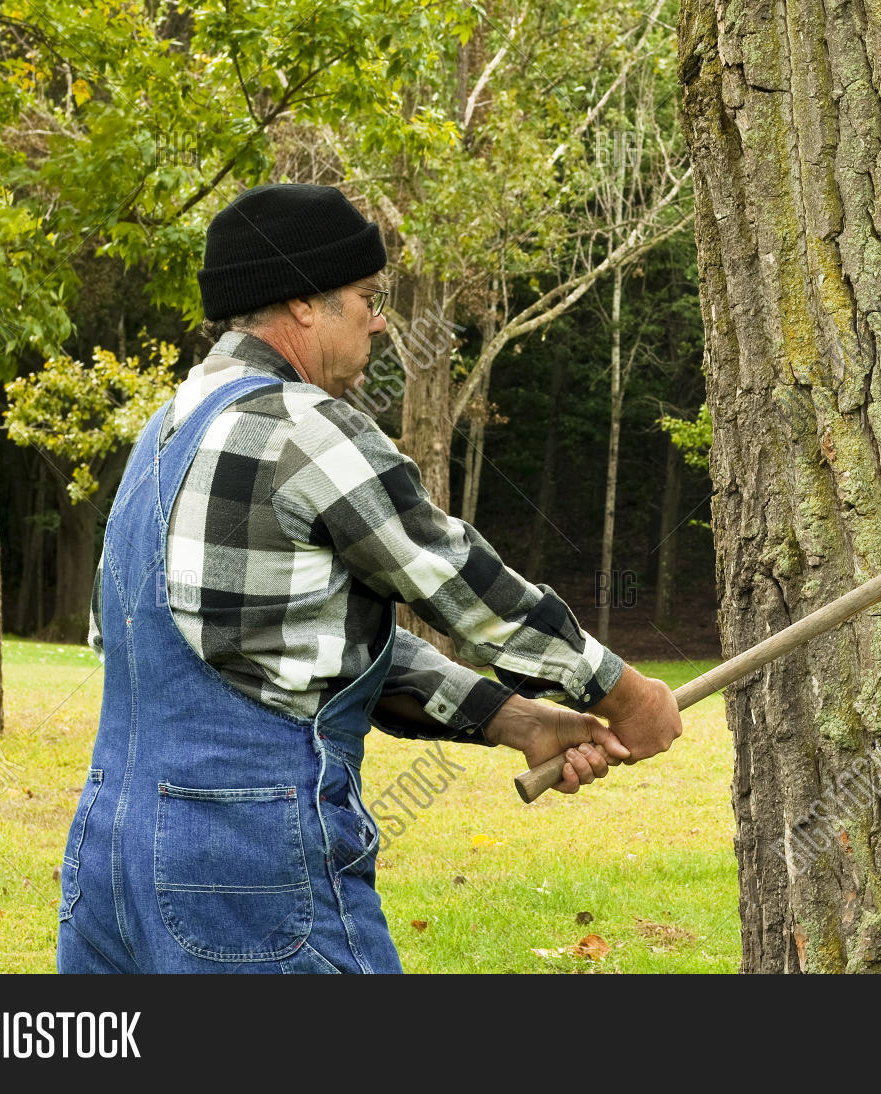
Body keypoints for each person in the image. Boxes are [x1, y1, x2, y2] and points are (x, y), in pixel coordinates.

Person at [55, 183, 682, 973]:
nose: (382, 320)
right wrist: (621, 692)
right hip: (248, 870)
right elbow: (461, 585)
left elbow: (287, 649)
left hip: (106, 868)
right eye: (367, 297)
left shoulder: (163, 434)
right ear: (304, 305)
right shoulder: (300, 428)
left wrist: (514, 718)